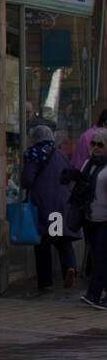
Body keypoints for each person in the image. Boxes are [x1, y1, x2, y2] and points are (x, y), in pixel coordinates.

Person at [21, 125, 78, 291]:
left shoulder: (34, 154)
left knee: (43, 243)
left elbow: (27, 181)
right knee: (60, 238)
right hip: (61, 203)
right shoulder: (60, 154)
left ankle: (46, 282)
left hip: (43, 204)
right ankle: (70, 267)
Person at [79, 127, 107, 309]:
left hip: (105, 220)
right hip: (90, 219)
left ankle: (94, 294)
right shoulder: (88, 165)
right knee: (98, 258)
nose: (95, 148)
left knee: (102, 259)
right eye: (93, 143)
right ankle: (96, 294)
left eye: (100, 145)